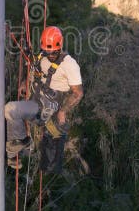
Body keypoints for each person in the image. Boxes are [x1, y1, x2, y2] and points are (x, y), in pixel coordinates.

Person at [5, 25, 84, 173]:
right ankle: (15, 152)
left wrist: (63, 111)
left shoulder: (70, 65)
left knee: (11, 109)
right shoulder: (42, 56)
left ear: (59, 46)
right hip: (36, 101)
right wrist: (24, 82)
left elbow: (78, 93)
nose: (50, 54)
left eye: (53, 51)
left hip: (48, 110)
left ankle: (20, 144)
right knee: (11, 111)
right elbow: (36, 71)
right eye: (47, 51)